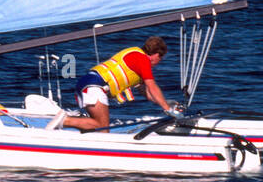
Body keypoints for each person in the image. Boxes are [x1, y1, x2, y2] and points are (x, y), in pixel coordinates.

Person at [48, 35, 180, 132]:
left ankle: (74, 128)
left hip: (86, 84)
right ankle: (66, 120)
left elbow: (146, 92)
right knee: (102, 126)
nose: (159, 61)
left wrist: (166, 102)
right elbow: (152, 86)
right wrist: (168, 110)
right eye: (160, 58)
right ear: (156, 54)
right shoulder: (143, 60)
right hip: (94, 87)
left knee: (101, 129)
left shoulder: (135, 55)